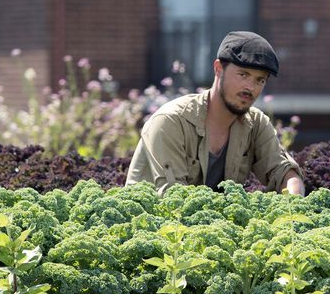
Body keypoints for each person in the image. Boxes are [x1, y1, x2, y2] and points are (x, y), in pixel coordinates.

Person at [126, 31, 305, 196]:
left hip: (212, 225)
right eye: (243, 75)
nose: (250, 87)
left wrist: (292, 208)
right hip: (149, 224)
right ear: (218, 68)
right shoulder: (171, 121)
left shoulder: (256, 124)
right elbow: (173, 197)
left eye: (260, 80)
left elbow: (285, 173)